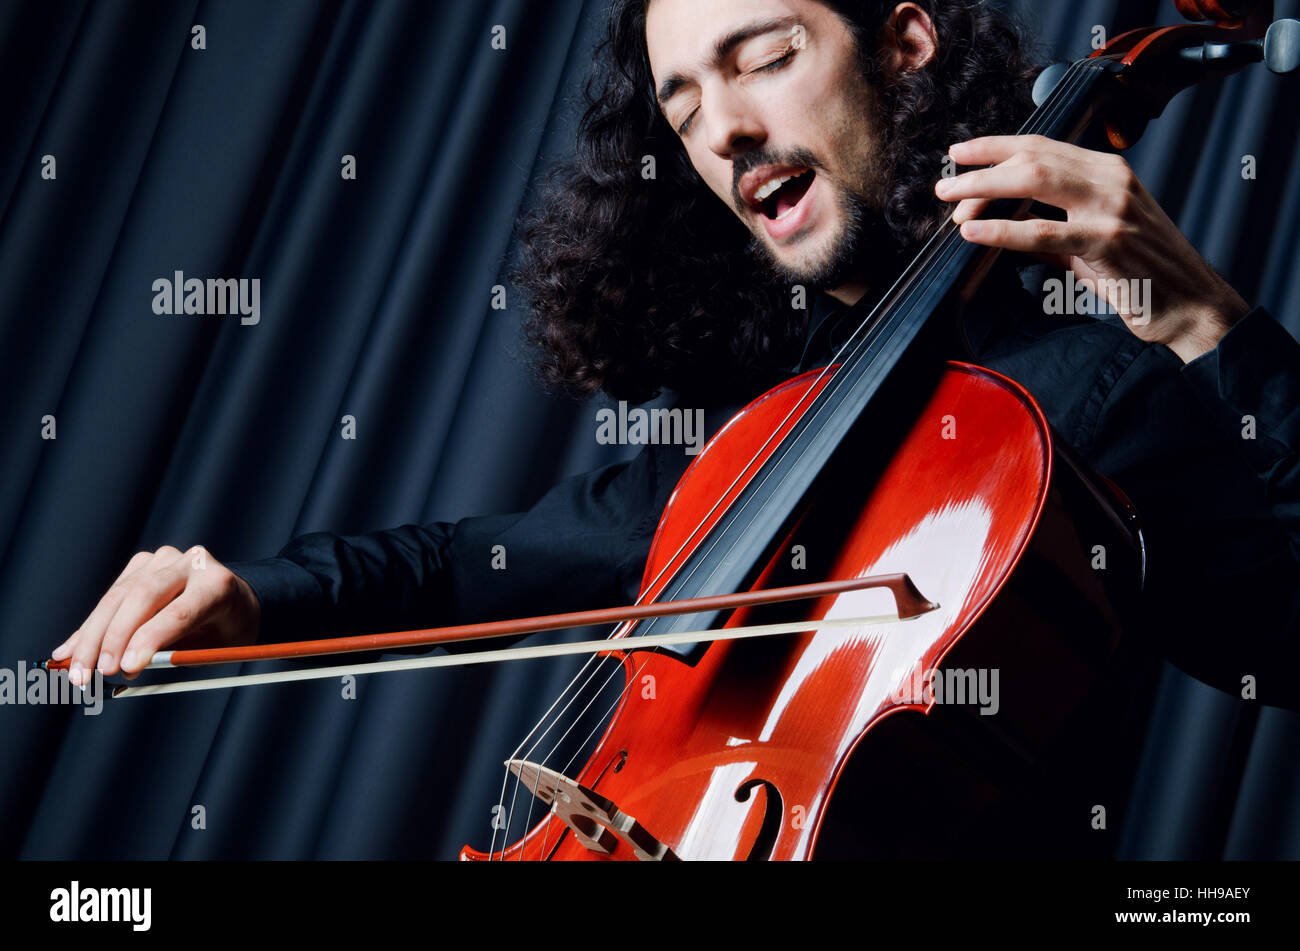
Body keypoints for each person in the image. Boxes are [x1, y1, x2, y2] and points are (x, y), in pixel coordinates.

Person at [53, 0, 1300, 723]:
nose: (728, 128)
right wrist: (251, 592)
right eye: (685, 105)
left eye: (761, 57)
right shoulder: (763, 445)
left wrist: (1195, 314)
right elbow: (465, 561)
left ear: (904, 44)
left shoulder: (1092, 399)